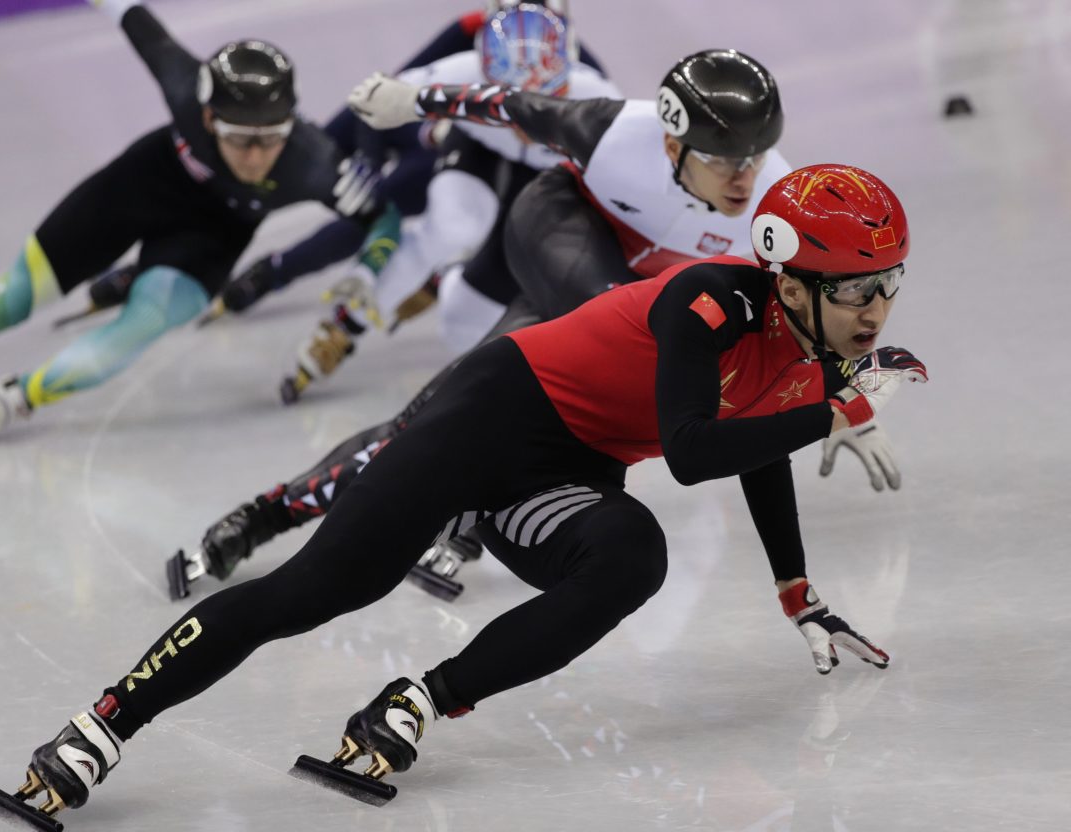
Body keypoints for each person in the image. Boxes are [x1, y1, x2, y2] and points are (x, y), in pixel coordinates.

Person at [0, 164, 926, 826]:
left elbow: (762, 441)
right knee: (314, 594)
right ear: (787, 278)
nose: (874, 309)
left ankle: (415, 704)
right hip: (491, 413)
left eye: (884, 285)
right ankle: (102, 726)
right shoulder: (710, 302)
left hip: (565, 471)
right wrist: (834, 415)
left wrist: (795, 590)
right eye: (853, 289)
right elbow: (690, 450)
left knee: (633, 558)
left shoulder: (817, 350)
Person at [168, 48, 891, 599]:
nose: (743, 177)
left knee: (433, 421)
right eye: (722, 159)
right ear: (671, 146)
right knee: (610, 371)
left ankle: (261, 516)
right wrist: (411, 100)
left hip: (629, 295)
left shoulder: (776, 202)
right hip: (561, 231)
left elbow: (805, 311)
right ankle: (476, 507)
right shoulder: (616, 132)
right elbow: (509, 104)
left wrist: (838, 387)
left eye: (754, 157)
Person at [0, 0, 380, 450]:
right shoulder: (184, 84)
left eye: (272, 138)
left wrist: (372, 273)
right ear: (206, 118)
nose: (256, 155)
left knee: (137, 328)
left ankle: (20, 397)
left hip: (211, 236)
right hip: (142, 185)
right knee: (12, 296)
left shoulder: (313, 163)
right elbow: (128, 12)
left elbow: (384, 216)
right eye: (239, 137)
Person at [276, 3, 621, 403]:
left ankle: (448, 277)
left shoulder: (598, 95)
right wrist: (369, 160)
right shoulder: (462, 72)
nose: (525, 122)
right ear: (484, 74)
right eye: (510, 102)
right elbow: (375, 97)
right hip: (478, 146)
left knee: (499, 294)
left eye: (547, 101)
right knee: (453, 227)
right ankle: (345, 324)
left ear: (570, 74)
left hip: (546, 174)